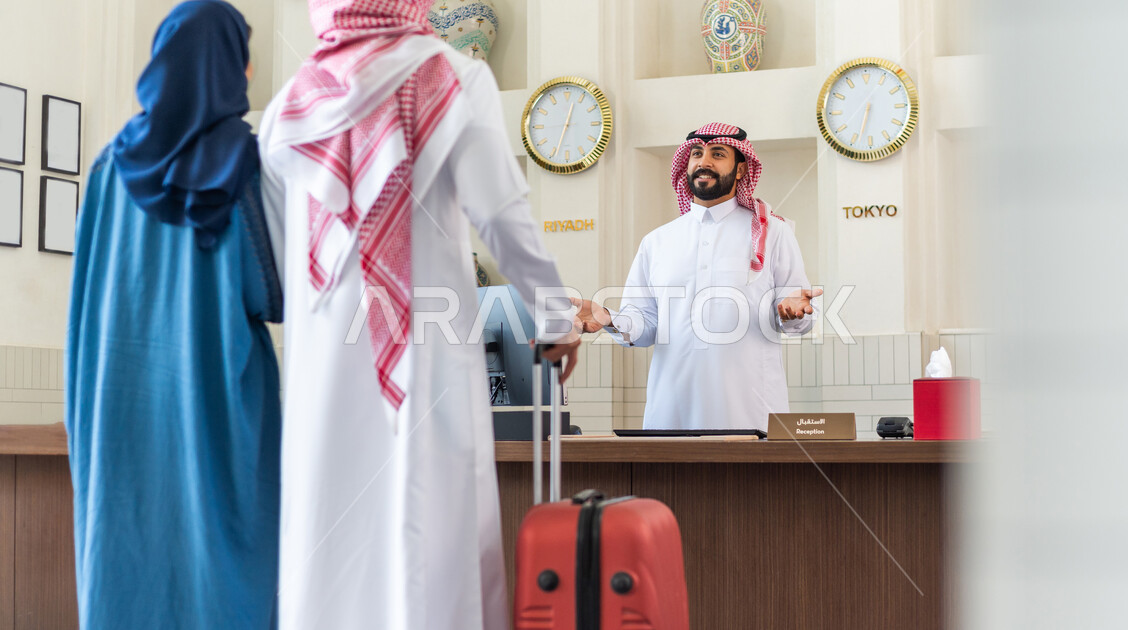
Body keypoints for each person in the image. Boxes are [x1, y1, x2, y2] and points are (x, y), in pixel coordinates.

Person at [256, 1, 579, 628]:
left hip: (321, 368)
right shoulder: (449, 74)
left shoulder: (293, 102)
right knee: (427, 524)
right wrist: (556, 315)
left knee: (329, 535)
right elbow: (502, 214)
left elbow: (277, 248)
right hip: (423, 360)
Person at [64, 2, 282, 628]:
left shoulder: (108, 166)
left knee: (127, 558)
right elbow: (273, 295)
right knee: (225, 571)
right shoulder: (245, 164)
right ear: (231, 65)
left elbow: (86, 295)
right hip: (212, 408)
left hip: (117, 406)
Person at [574, 122, 821, 432]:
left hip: (749, 414)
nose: (704, 162)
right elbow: (645, 325)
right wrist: (608, 317)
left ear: (742, 170)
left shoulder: (773, 233)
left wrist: (793, 314)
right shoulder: (658, 241)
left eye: (718, 154)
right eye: (696, 154)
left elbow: (800, 317)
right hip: (670, 414)